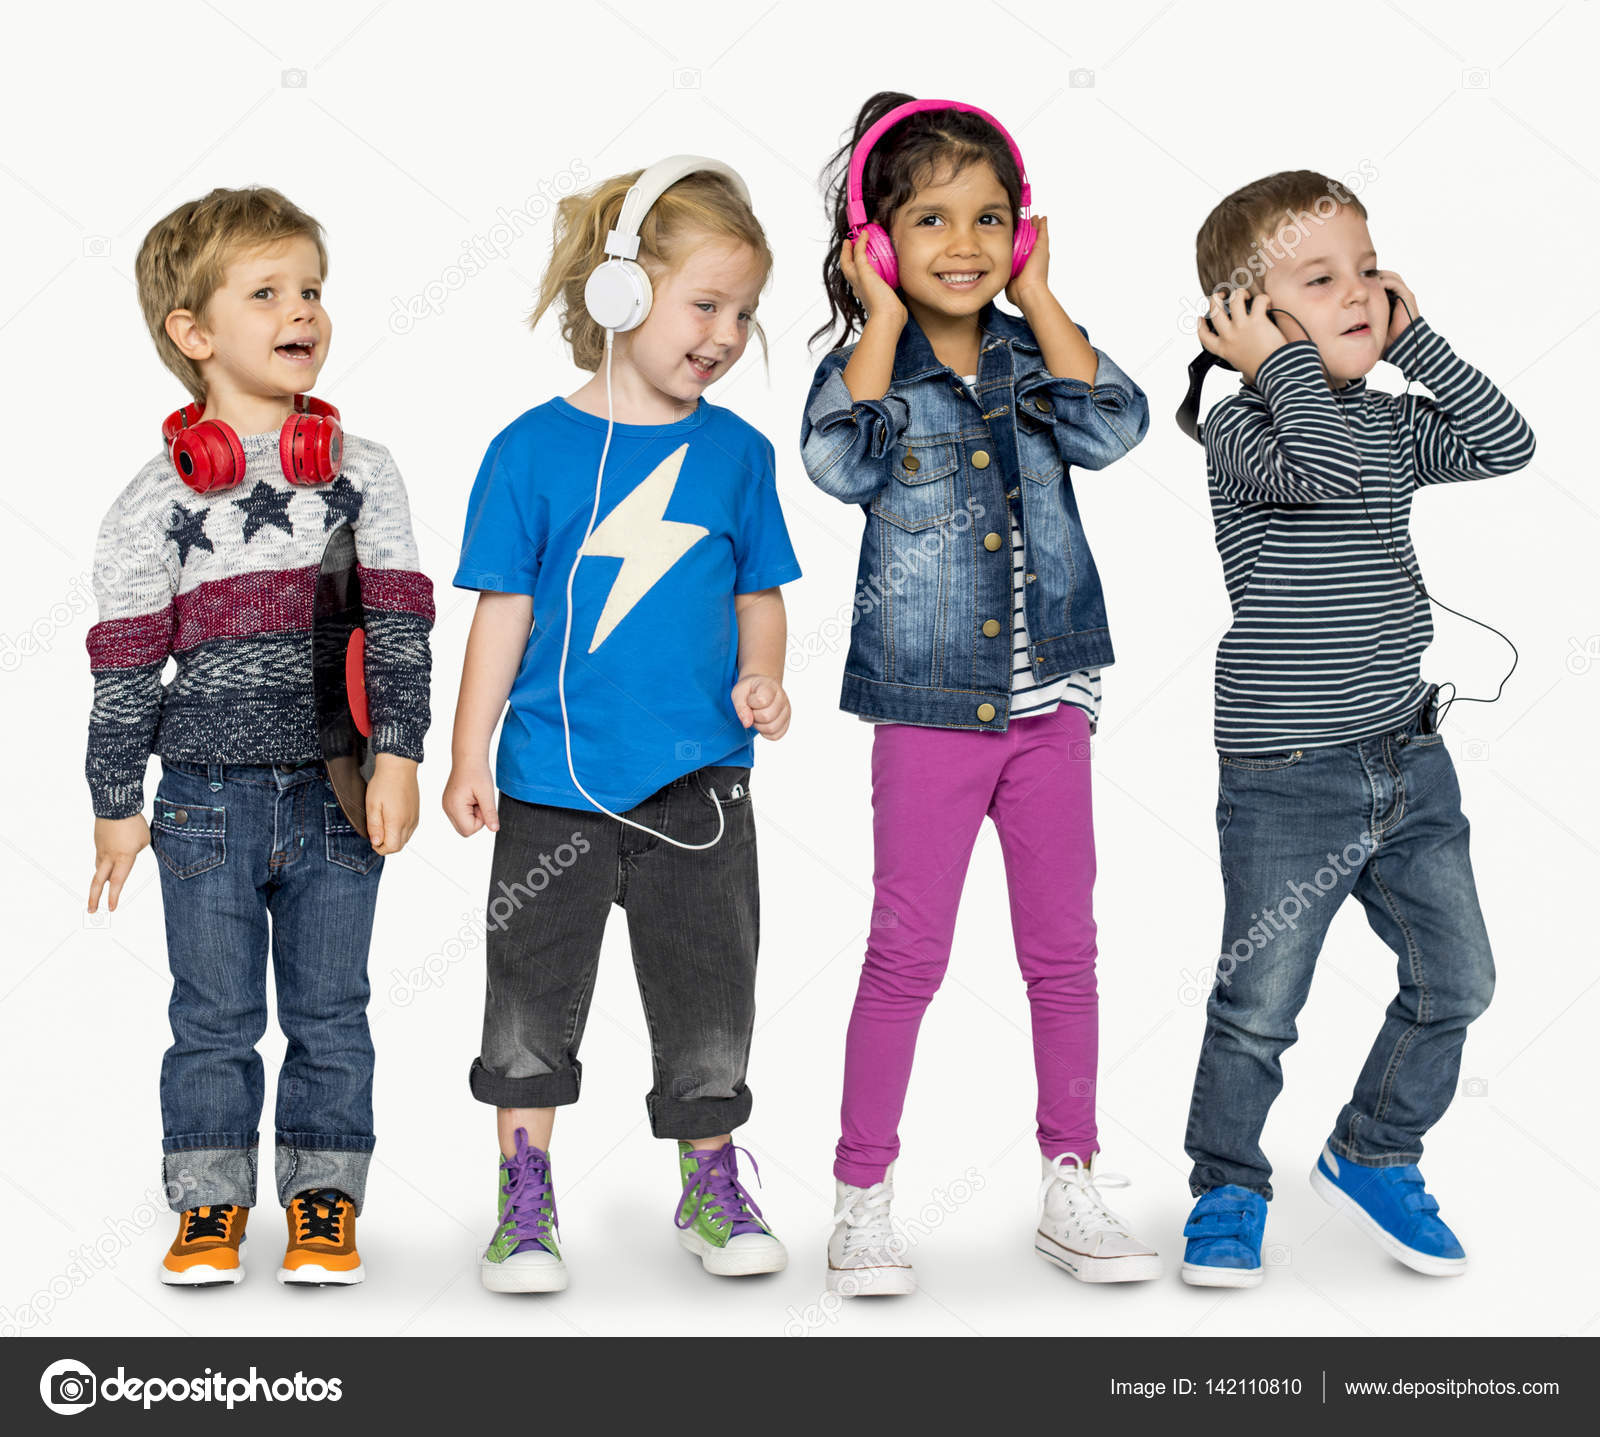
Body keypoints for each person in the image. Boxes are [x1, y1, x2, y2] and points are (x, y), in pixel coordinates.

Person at [801, 94, 1158, 1294]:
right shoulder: (873, 371)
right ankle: (862, 1198)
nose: (963, 240)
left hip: (1050, 708)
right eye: (929, 218)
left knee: (1065, 954)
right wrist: (879, 318)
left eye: (988, 218)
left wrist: (1043, 297)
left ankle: (1073, 1178)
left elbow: (1114, 428)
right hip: (929, 713)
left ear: (1020, 233)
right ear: (877, 238)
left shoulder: (1027, 358)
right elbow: (837, 458)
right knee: (905, 955)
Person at [444, 159, 801, 1292]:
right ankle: (523, 1197)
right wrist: (468, 753)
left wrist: (763, 675)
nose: (728, 333)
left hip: (698, 787)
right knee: (528, 1001)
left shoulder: (739, 455)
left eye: (744, 312)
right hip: (553, 781)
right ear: (619, 294)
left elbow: (760, 593)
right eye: (707, 303)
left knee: (709, 990)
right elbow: (503, 615)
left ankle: (710, 1179)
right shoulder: (529, 452)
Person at [1177, 170, 1535, 1287]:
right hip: (1289, 775)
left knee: (1457, 979)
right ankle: (1227, 1185)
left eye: (1369, 271)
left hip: (1406, 758)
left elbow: (1505, 442)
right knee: (1259, 1004)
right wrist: (1271, 368)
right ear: (1242, 319)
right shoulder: (1242, 431)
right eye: (1319, 279)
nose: (1359, 293)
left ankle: (1374, 1149)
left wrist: (1417, 342)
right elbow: (1325, 475)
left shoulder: (1387, 419)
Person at [86, 186, 434, 1287]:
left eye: (312, 290)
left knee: (334, 1010)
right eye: (268, 292)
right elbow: (127, 663)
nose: (304, 311)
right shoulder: (150, 502)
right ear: (192, 334)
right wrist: (114, 803)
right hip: (201, 799)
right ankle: (209, 1204)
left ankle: (324, 1198)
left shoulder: (362, 470)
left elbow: (402, 624)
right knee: (213, 1016)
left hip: (335, 788)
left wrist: (401, 754)